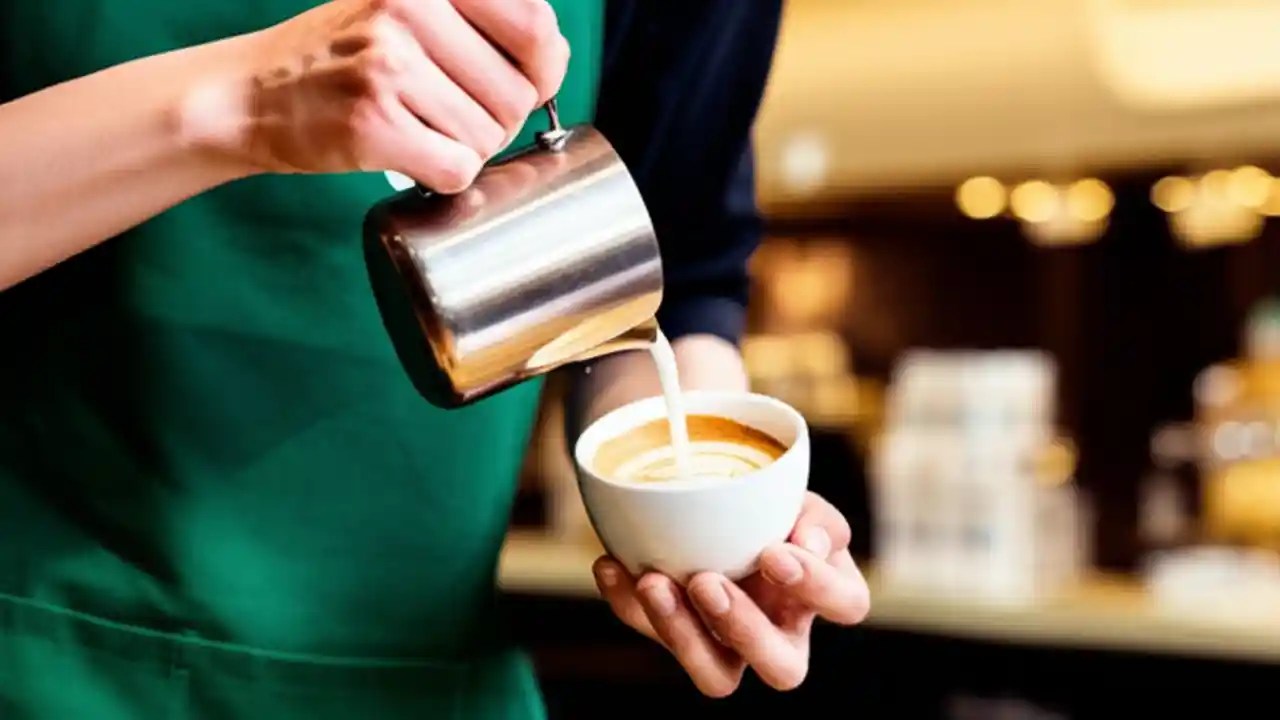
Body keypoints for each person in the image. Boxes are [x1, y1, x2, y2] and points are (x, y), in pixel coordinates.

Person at [0, 0, 870, 717]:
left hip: (431, 685)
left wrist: (706, 528)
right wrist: (243, 102)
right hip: (43, 666)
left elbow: (667, 286)